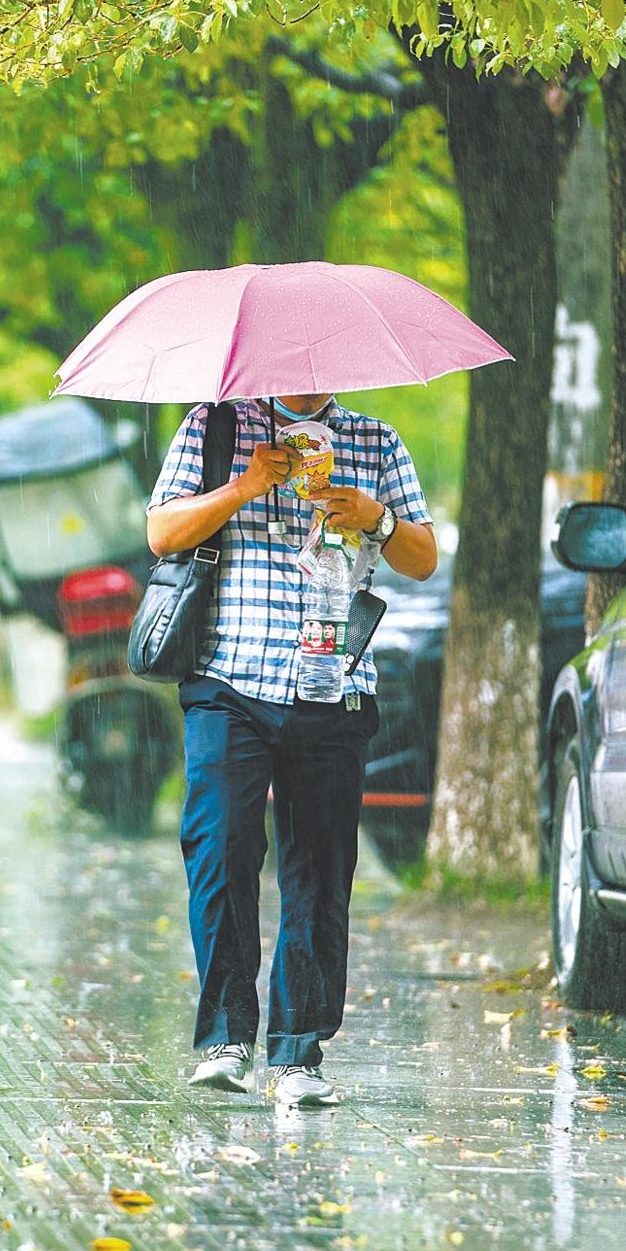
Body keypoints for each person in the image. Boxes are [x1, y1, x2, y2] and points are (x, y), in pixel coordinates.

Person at [146, 394, 438, 1108]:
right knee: (221, 848)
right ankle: (224, 1036)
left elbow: (423, 558)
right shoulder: (214, 426)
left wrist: (375, 517)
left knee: (319, 869)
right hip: (228, 680)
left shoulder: (375, 440)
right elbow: (161, 532)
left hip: (331, 685)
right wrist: (245, 485)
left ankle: (298, 1054)